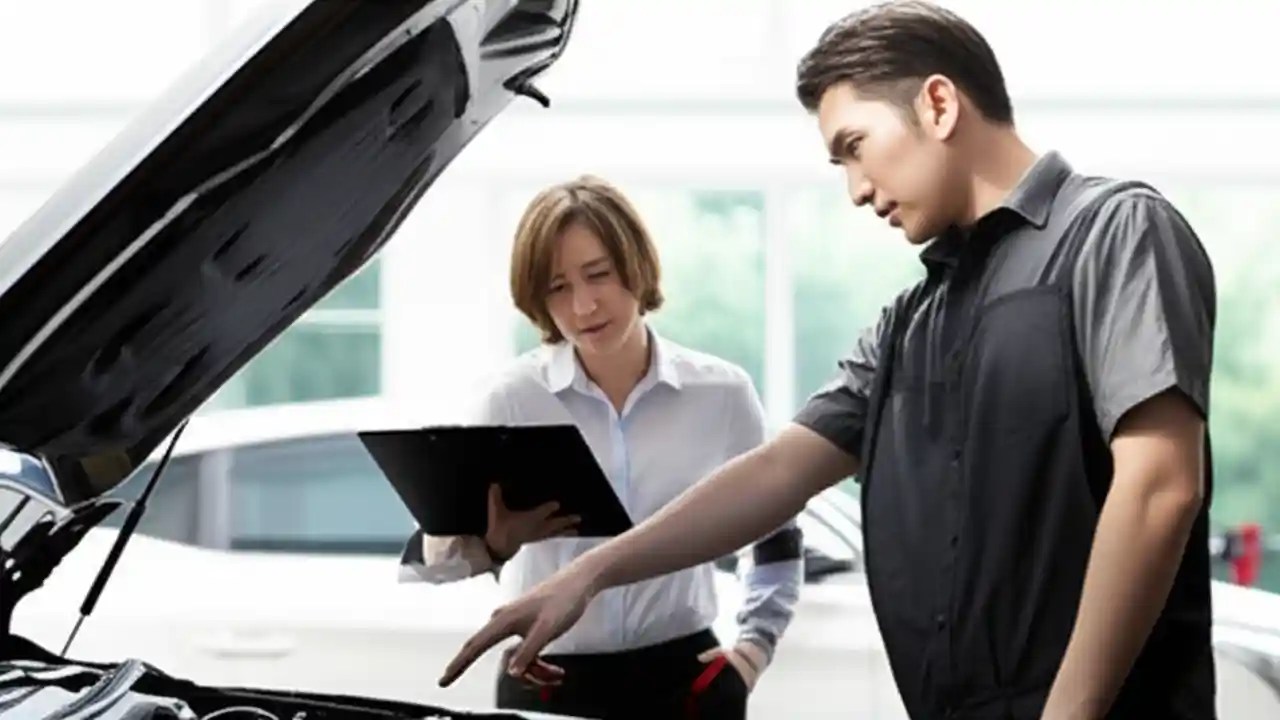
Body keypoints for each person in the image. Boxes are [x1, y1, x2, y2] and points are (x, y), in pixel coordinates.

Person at [437, 3, 1219, 719]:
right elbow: (778, 472)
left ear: (939, 105)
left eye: (855, 147)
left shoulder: (1116, 234)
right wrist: (588, 575)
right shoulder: (911, 319)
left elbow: (1159, 486)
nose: (853, 189)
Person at [400, 174, 805, 719]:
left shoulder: (721, 393)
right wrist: (490, 547)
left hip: (687, 678)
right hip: (548, 680)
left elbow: (777, 540)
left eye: (598, 275)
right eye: (557, 287)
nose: (584, 305)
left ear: (635, 265)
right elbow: (428, 564)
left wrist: (753, 651)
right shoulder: (511, 400)